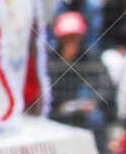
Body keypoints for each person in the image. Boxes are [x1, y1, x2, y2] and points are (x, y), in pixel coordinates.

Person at [48, 12, 114, 144]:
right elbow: (47, 89)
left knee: (96, 120)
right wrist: (66, 62)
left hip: (86, 111)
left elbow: (105, 87)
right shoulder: (51, 60)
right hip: (58, 110)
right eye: (67, 37)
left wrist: (92, 102)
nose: (71, 41)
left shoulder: (92, 58)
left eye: (75, 37)